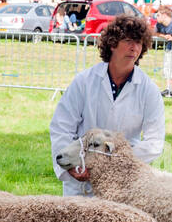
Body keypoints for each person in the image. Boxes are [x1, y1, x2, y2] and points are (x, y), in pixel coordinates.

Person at [49, 14, 165, 197]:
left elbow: (155, 142)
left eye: (139, 42)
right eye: (128, 41)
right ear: (112, 44)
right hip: (81, 176)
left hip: (124, 179)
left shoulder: (149, 90)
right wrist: (71, 165)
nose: (134, 47)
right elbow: (61, 127)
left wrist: (115, 163)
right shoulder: (84, 82)